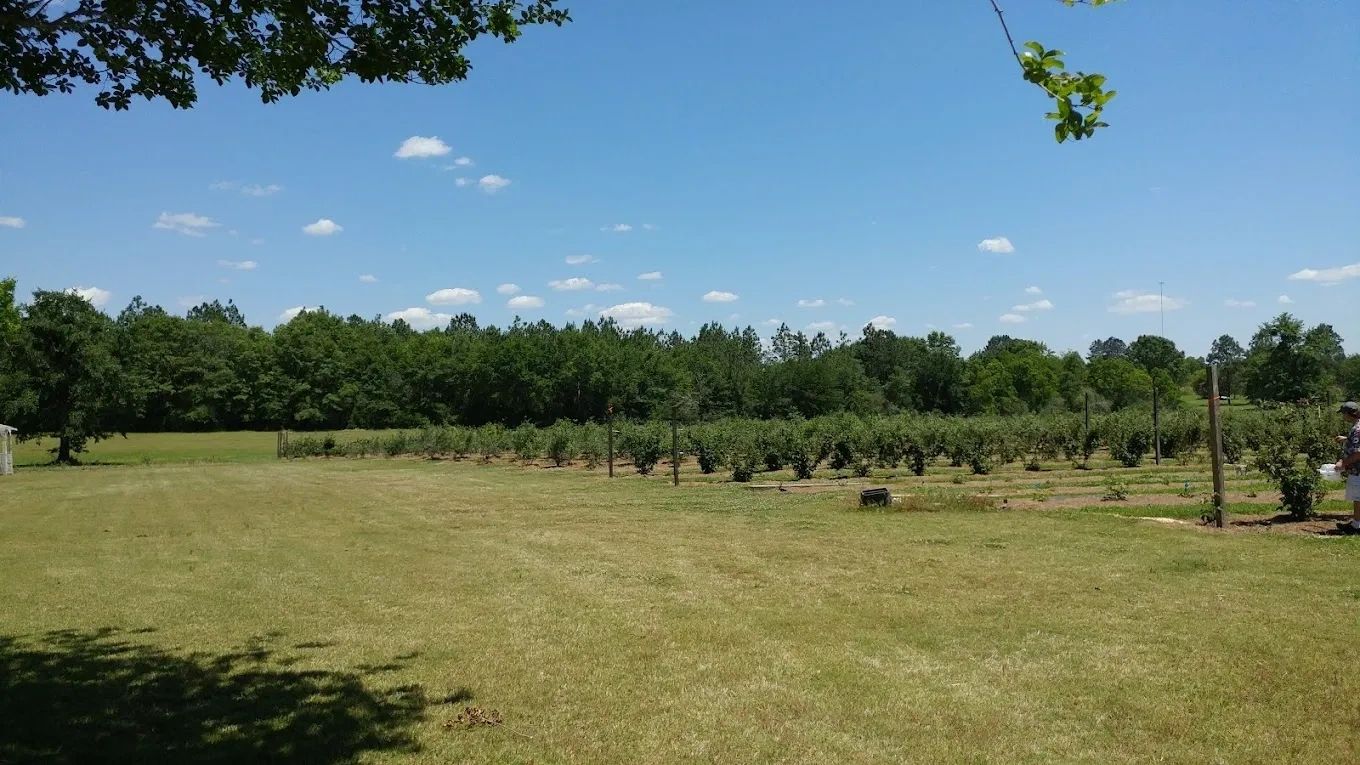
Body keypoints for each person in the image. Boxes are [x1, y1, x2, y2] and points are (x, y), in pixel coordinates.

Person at [1336, 401, 1360, 534]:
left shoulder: (1357, 429)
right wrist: (1347, 439)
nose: (1343, 417)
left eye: (1343, 413)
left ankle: (1356, 527)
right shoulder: (1357, 428)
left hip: (1358, 470)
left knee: (1358, 498)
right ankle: (1357, 523)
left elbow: (1358, 453)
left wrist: (1343, 463)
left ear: (1349, 414)